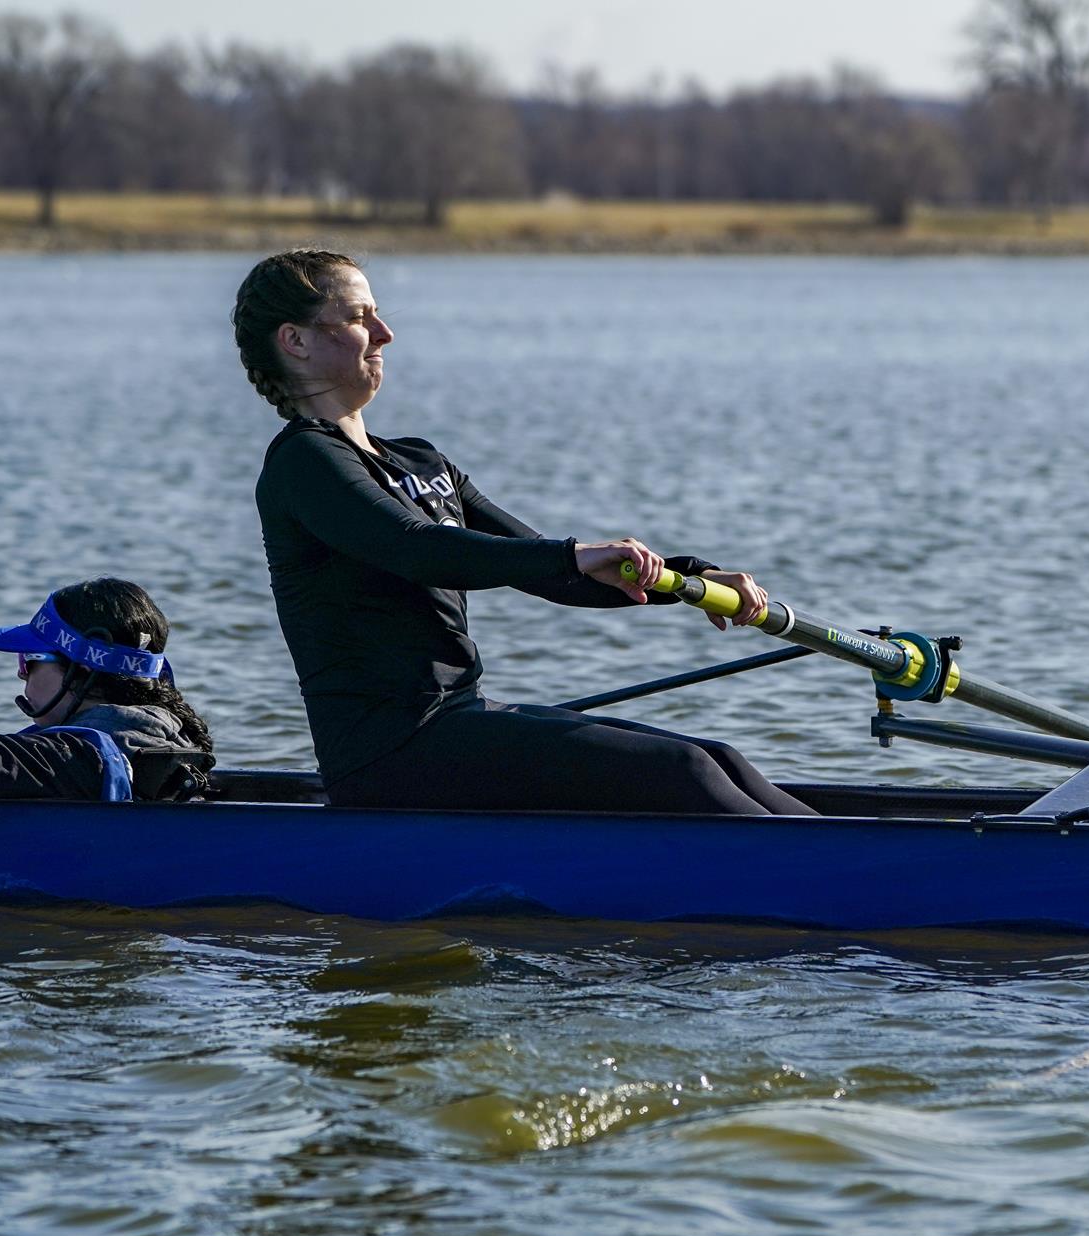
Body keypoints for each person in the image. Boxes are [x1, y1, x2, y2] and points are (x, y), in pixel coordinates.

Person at [232, 248, 813, 815]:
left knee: (718, 757)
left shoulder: (421, 462)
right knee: (681, 771)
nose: (384, 333)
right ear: (297, 341)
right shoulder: (303, 463)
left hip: (462, 717)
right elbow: (418, 549)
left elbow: (557, 575)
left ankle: (858, 867)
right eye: (359, 318)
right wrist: (572, 556)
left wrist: (693, 575)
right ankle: (839, 887)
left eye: (379, 314)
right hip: (389, 753)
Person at [0, 578, 213, 824]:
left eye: (29, 661)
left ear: (81, 670)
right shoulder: (165, 743)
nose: (22, 675)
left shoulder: (79, 757)